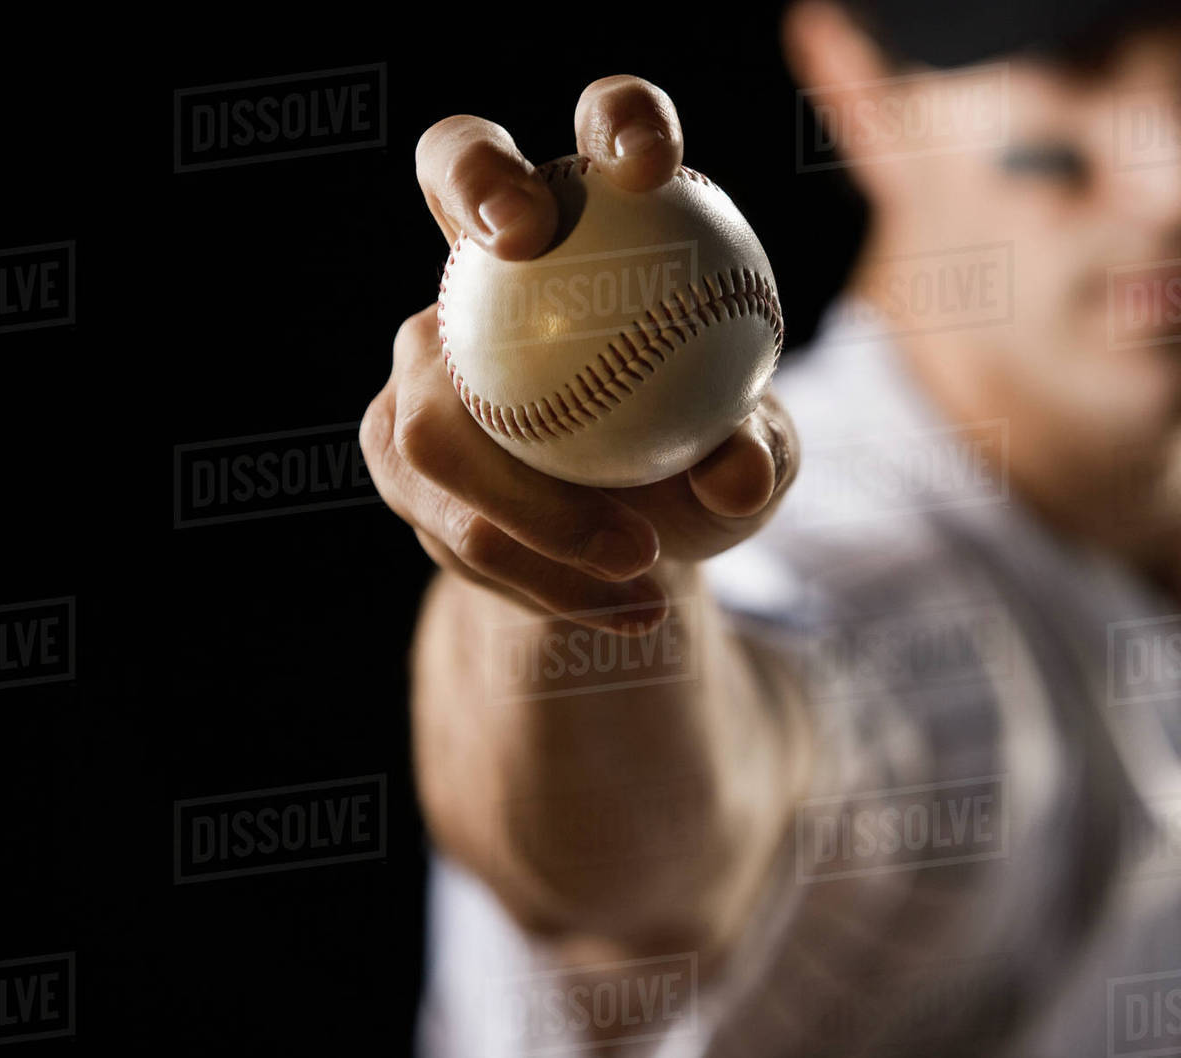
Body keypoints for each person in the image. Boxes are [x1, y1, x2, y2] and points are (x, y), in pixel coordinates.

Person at [360, 1, 1181, 1053]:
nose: (1168, 179)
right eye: (1076, 57)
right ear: (856, 84)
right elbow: (642, 881)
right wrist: (588, 579)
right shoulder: (864, 570)